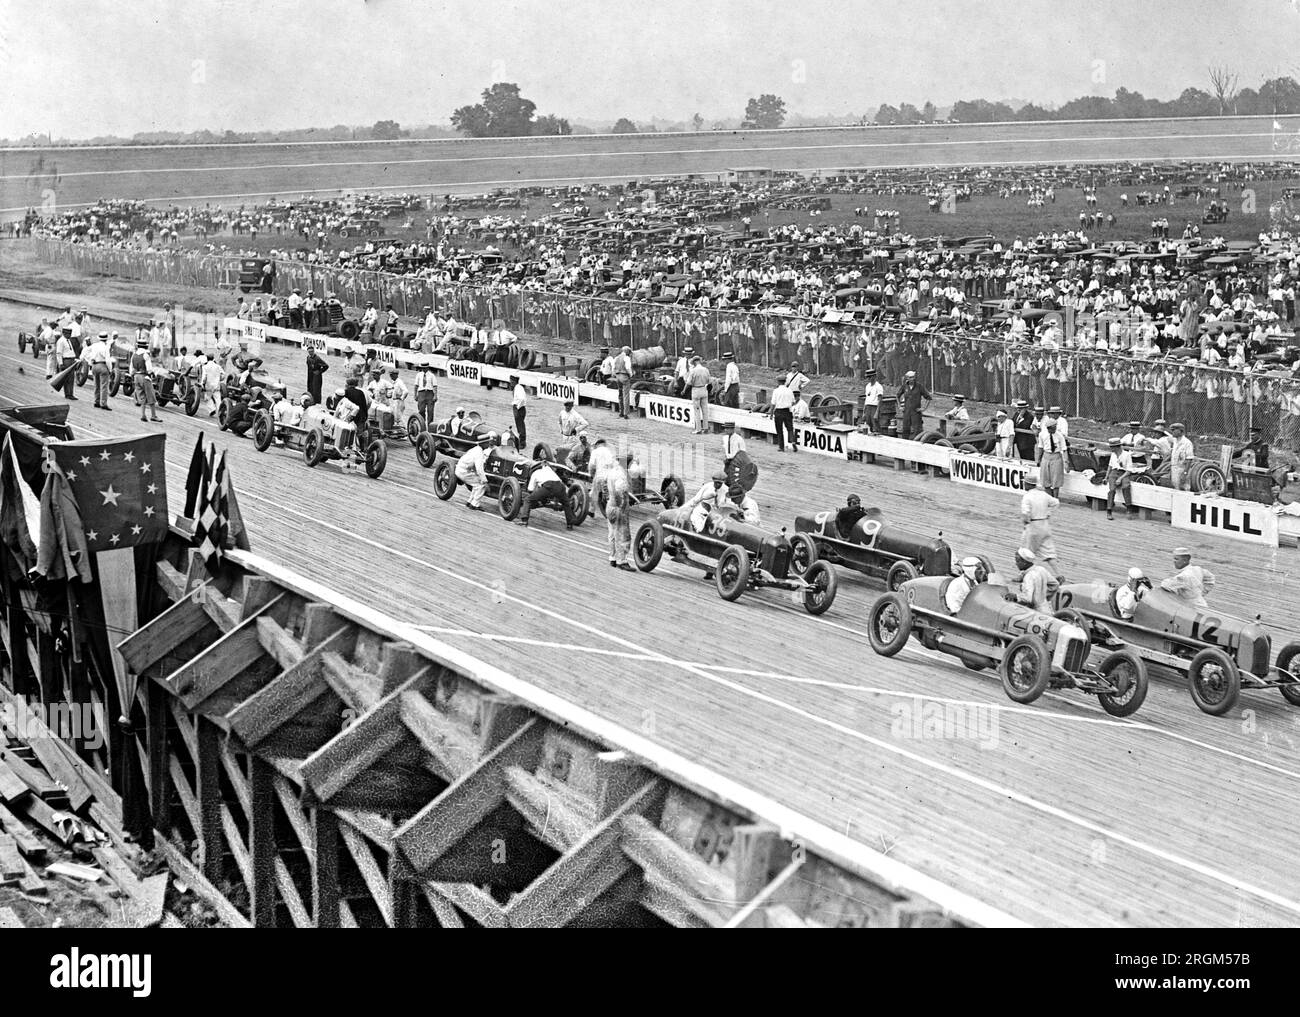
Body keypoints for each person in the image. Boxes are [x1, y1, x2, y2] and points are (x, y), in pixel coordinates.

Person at [596, 455, 636, 571]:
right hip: (618, 508)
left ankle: (612, 557)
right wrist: (622, 504)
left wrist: (607, 497)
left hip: (610, 505)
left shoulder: (612, 471)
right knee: (622, 534)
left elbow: (603, 484)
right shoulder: (621, 474)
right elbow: (620, 490)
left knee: (612, 534)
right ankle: (622, 561)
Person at [1020, 475, 1063, 580]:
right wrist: (1049, 513)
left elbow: (1025, 513)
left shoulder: (1027, 497)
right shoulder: (1043, 494)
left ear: (1027, 484)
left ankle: (1023, 574)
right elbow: (1056, 502)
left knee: (1026, 551)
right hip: (1044, 524)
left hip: (1033, 526)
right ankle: (1058, 574)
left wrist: (1025, 523)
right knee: (1049, 552)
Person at [517, 461, 572, 529]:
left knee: (528, 500)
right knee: (566, 503)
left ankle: (524, 521)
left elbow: (530, 490)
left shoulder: (535, 473)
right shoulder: (550, 470)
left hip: (548, 486)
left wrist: (536, 498)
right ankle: (570, 525)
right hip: (560, 486)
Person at [1104, 437, 1144, 520]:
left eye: (1112, 447)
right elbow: (1110, 466)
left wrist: (1120, 479)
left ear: (1117, 447)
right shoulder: (1113, 454)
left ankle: (1129, 509)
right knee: (1112, 490)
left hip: (1124, 473)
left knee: (1126, 487)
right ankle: (1109, 511)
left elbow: (1129, 470)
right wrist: (1106, 476)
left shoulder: (1127, 455)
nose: (1111, 449)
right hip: (1114, 472)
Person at [456, 432, 497, 510]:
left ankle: (470, 501)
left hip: (461, 468)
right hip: (463, 471)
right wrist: (485, 481)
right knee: (481, 485)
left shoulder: (476, 449)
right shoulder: (479, 453)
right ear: (484, 443)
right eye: (487, 443)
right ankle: (475, 504)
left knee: (476, 482)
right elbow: (479, 469)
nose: (488, 444)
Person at [1035, 414, 1067, 498]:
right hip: (1046, 456)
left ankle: (1055, 498)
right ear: (1048, 428)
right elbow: (1040, 447)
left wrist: (1066, 462)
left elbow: (1064, 449)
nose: (1055, 429)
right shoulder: (1042, 434)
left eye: (1055, 427)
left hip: (1056, 457)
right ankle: (1048, 498)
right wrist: (1039, 459)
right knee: (1045, 479)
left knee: (1056, 479)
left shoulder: (1060, 436)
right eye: (1053, 428)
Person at [1014, 548, 1054, 612]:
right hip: (1046, 608)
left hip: (1036, 613)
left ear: (1024, 562)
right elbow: (1055, 585)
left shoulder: (1028, 577)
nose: (1016, 563)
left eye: (1017, 561)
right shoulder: (1041, 569)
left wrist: (1015, 596)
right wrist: (1043, 596)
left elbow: (1027, 598)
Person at [131, 340, 161, 421]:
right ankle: (153, 416)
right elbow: (149, 369)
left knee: (142, 396)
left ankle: (143, 415)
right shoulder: (145, 355)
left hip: (136, 376)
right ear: (146, 346)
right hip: (144, 377)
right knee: (151, 395)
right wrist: (153, 375)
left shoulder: (134, 355)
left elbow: (131, 369)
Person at [897, 370, 931, 440]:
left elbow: (928, 397)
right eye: (910, 377)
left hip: (916, 412)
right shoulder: (905, 386)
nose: (912, 379)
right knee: (905, 430)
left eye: (913, 377)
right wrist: (899, 406)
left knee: (917, 431)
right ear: (907, 378)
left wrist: (923, 408)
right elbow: (897, 395)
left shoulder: (919, 386)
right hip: (906, 412)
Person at [84, 331, 112, 410]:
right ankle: (103, 403)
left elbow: (86, 352)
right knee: (104, 385)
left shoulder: (94, 345)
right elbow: (107, 360)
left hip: (94, 365)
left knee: (96, 385)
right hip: (102, 365)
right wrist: (110, 369)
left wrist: (90, 361)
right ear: (106, 339)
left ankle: (96, 401)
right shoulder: (106, 347)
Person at [687, 356, 711, 434]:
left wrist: (684, 390)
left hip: (696, 390)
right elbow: (709, 381)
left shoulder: (693, 371)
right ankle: (706, 427)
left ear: (694, 362)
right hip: (704, 389)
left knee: (697, 410)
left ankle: (698, 429)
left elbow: (689, 382)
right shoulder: (706, 370)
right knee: (705, 409)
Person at [770, 375, 795, 451]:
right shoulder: (789, 390)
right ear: (785, 382)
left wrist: (771, 413)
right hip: (787, 411)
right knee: (790, 428)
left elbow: (773, 404)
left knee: (779, 430)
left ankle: (781, 447)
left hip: (779, 411)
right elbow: (793, 402)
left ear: (778, 382)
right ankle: (793, 442)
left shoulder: (776, 391)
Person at [1167, 422, 1195, 490]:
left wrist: (1185, 473)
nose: (1172, 432)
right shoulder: (1175, 442)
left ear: (1181, 431)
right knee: (1176, 488)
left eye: (1174, 430)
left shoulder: (1187, 443)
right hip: (1174, 469)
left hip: (1182, 469)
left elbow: (1189, 459)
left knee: (1185, 489)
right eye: (1172, 430)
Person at [54, 329, 78, 399]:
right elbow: (59, 353)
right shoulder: (61, 341)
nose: (69, 335)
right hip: (66, 360)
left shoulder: (68, 340)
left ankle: (70, 393)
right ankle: (68, 394)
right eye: (68, 334)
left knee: (71, 378)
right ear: (63, 333)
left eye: (70, 334)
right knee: (67, 378)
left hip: (71, 360)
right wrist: (61, 364)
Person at [861, 369, 884, 433]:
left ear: (874, 376)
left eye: (870, 377)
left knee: (876, 425)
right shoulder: (867, 386)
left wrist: (876, 413)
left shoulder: (878, 386)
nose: (868, 379)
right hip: (868, 407)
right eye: (867, 377)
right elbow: (866, 399)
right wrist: (864, 412)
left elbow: (880, 400)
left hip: (875, 407)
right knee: (868, 426)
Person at [613, 346, 633, 418]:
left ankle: (620, 412)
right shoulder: (626, 358)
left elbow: (613, 368)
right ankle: (626, 413)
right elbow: (628, 368)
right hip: (624, 376)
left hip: (617, 376)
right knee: (626, 395)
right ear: (627, 352)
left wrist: (616, 374)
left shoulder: (616, 358)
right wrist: (631, 374)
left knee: (620, 394)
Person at [510, 374, 528, 449]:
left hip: (519, 408)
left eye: (511, 381)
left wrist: (517, 407)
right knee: (519, 425)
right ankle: (521, 441)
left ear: (514, 381)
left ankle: (522, 443)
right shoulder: (517, 387)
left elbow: (522, 399)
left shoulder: (518, 388)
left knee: (520, 426)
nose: (510, 383)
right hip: (518, 408)